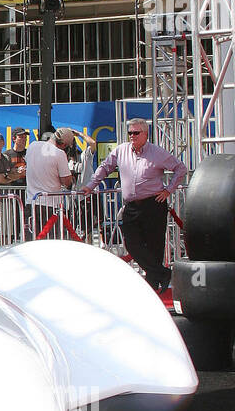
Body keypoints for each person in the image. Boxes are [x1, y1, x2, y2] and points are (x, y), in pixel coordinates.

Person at [79, 117, 186, 292]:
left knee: (154, 246)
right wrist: (91, 185)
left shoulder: (157, 152)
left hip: (154, 203)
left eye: (136, 133)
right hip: (131, 205)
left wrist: (169, 189)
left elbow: (180, 168)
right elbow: (105, 167)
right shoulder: (121, 150)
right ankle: (163, 273)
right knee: (131, 244)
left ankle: (154, 284)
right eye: (130, 133)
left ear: (145, 134)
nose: (132, 136)